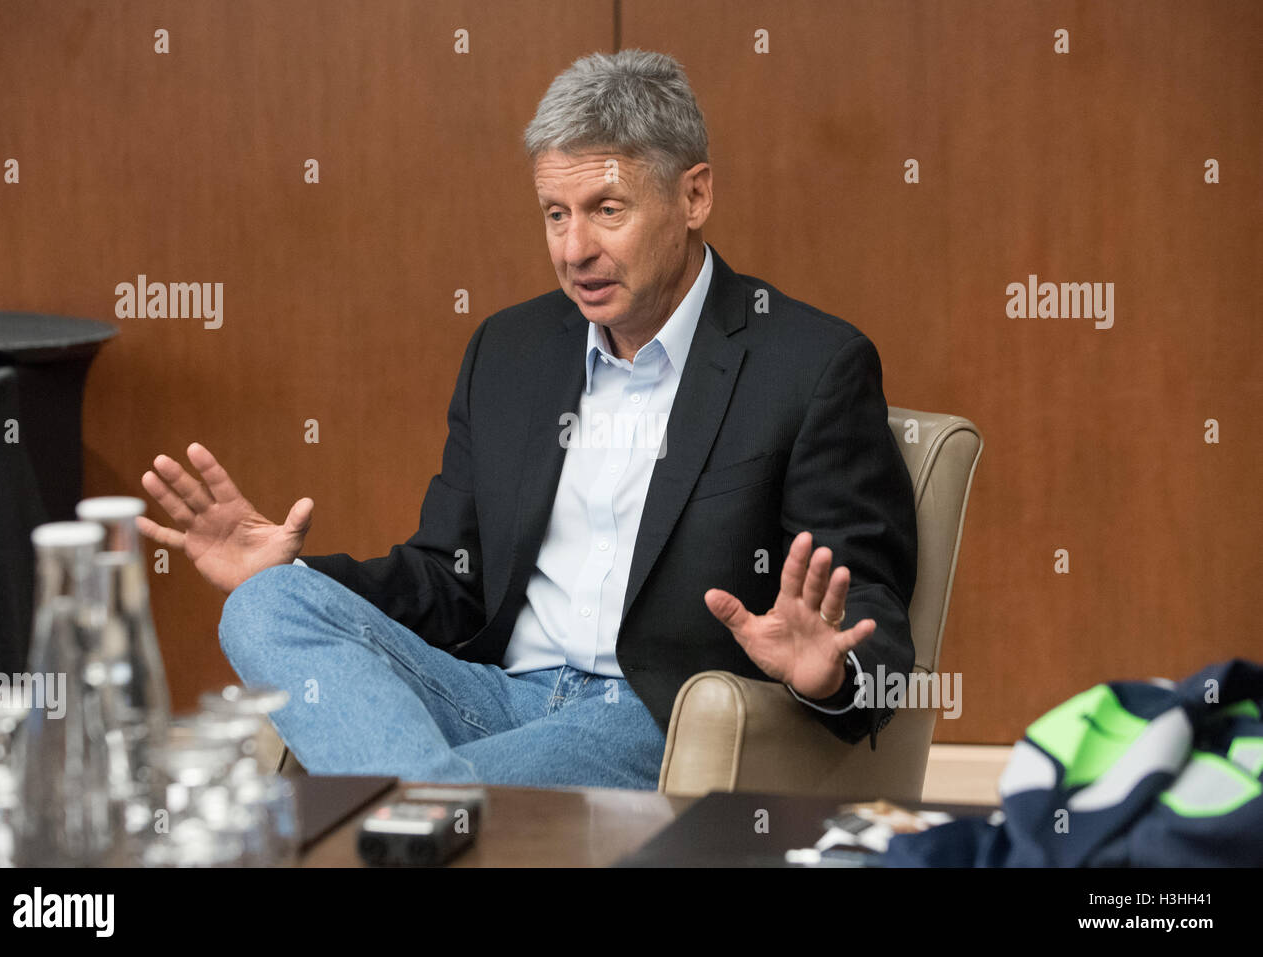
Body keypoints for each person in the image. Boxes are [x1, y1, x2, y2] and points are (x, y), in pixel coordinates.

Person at [137, 49, 918, 790]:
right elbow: (450, 580)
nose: (574, 248)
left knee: (401, 789)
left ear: (694, 195)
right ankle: (438, 803)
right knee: (265, 607)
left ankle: (422, 805)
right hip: (494, 694)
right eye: (554, 214)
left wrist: (831, 668)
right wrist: (289, 574)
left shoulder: (811, 364)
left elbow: (874, 615)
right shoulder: (511, 350)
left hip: (652, 715)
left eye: (606, 209)